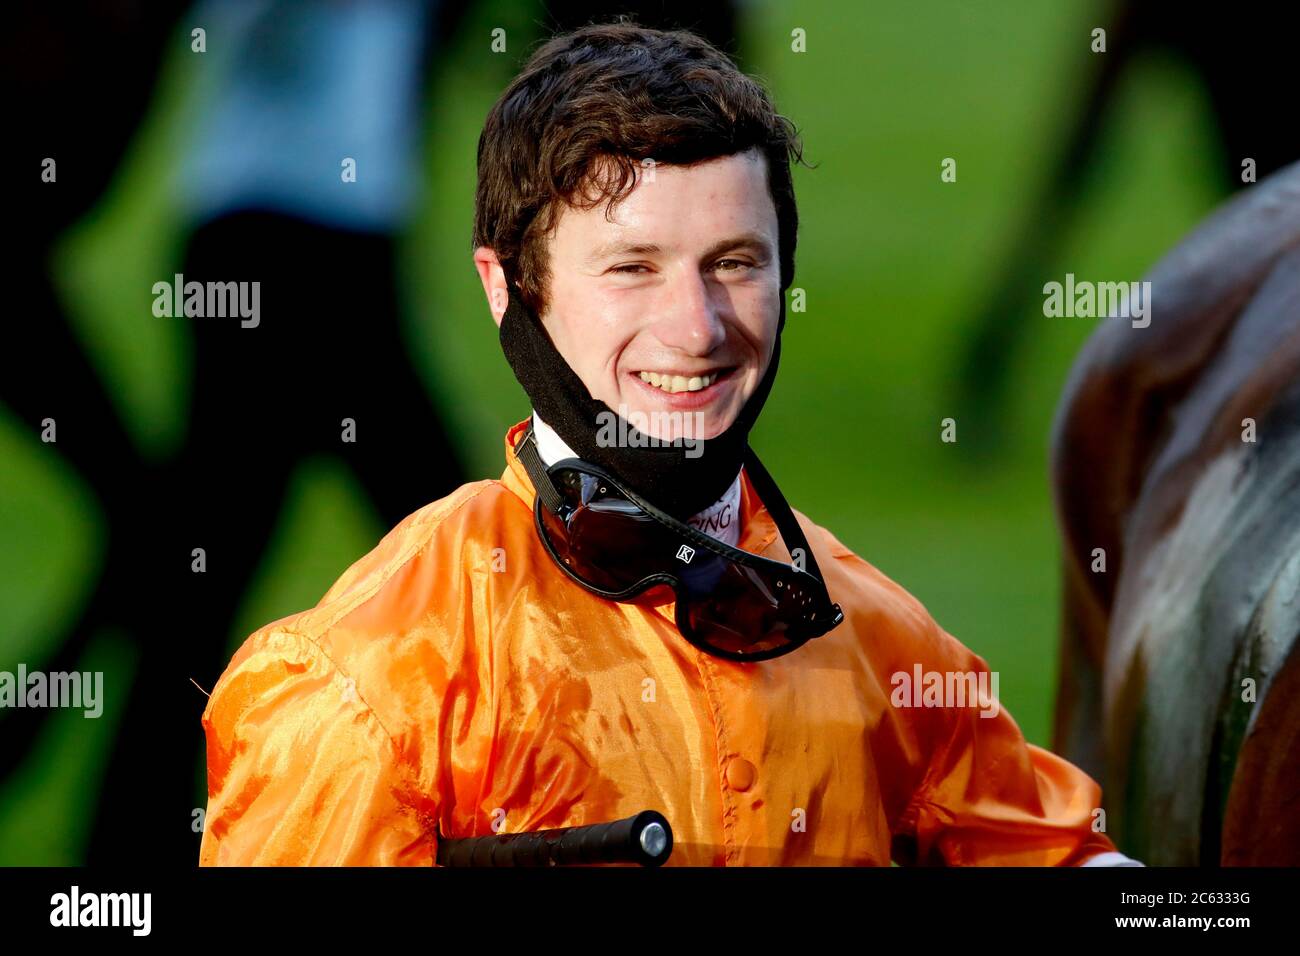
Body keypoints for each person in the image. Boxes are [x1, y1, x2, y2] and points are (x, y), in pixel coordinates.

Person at [198, 21, 1140, 867]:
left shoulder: (885, 648)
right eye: (632, 268)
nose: (696, 328)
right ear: (506, 287)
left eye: (735, 263)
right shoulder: (361, 689)